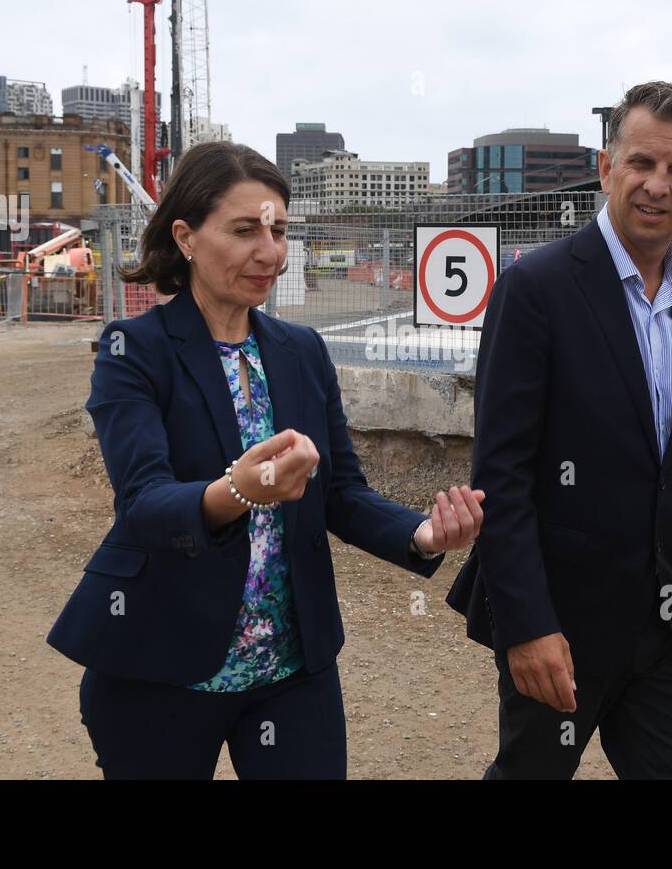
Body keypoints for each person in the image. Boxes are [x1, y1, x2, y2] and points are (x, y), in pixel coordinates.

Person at [48, 141, 484, 779]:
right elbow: (144, 504)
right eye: (245, 230)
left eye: (279, 230)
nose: (270, 252)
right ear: (187, 237)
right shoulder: (133, 350)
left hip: (288, 666)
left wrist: (419, 532)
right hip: (160, 663)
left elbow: (340, 493)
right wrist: (240, 489)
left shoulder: (302, 351)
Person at [446, 81, 672, 779]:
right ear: (607, 169)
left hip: (670, 632)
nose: (657, 185)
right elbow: (502, 476)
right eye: (641, 163)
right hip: (561, 626)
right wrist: (528, 625)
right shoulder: (537, 287)